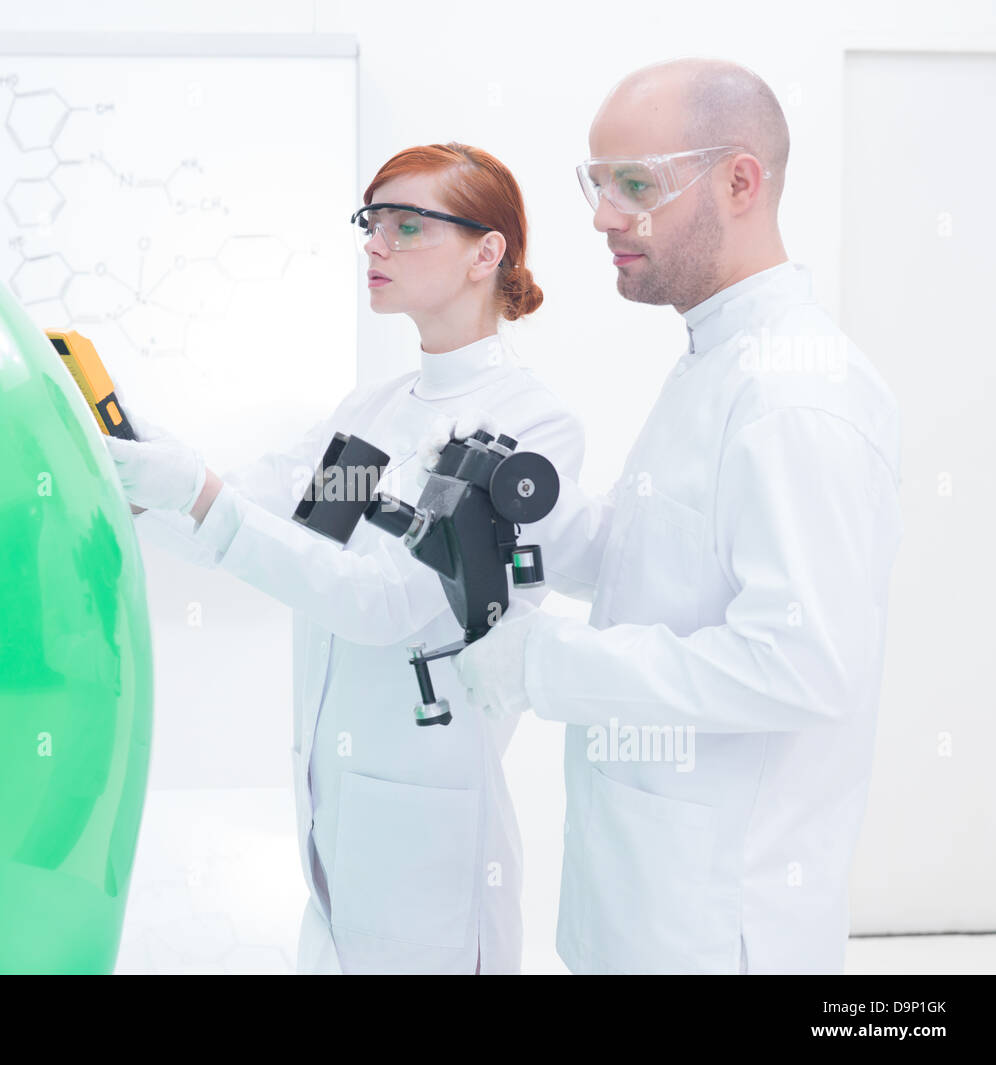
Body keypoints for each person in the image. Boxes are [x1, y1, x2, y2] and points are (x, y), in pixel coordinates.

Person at [454, 59, 903, 974]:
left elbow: (805, 662)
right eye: (595, 182)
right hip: (646, 901)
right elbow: (656, 555)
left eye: (635, 184)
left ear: (741, 180)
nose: (602, 215)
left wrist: (546, 662)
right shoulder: (717, 357)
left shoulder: (792, 392)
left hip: (719, 925)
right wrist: (523, 509)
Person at [106, 143, 585, 974]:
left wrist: (198, 492)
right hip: (332, 812)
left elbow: (384, 603)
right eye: (371, 223)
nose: (374, 244)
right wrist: (139, 471)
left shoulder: (528, 425)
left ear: (487, 250)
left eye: (406, 225)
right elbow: (265, 521)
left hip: (428, 827)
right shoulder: (376, 411)